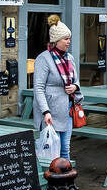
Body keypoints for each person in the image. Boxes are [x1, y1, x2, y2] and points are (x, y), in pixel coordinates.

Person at [34, 21, 80, 159]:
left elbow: (76, 80)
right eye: (66, 39)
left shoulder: (70, 58)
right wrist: (45, 112)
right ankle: (52, 179)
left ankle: (65, 180)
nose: (69, 42)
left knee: (65, 149)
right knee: (52, 152)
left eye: (69, 38)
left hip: (67, 110)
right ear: (56, 40)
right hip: (50, 111)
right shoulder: (44, 59)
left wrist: (75, 87)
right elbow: (38, 88)